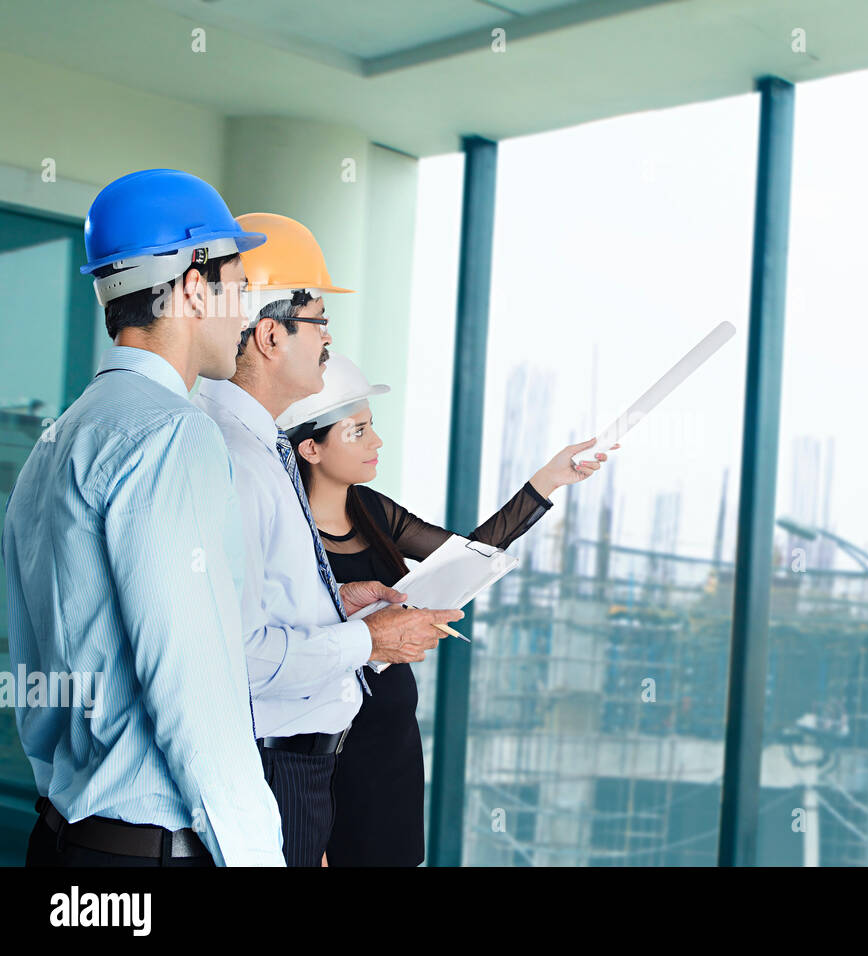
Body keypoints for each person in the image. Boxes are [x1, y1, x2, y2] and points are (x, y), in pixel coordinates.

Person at [2, 168, 285, 866]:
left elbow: (31, 669)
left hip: (67, 835)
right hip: (149, 851)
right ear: (193, 285)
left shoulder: (58, 439)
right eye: (238, 284)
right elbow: (195, 685)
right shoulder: (172, 435)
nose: (246, 311)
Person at [192, 212, 459, 867]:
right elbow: (231, 655)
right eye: (319, 322)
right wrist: (371, 639)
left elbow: (250, 606)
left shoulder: (259, 454)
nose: (329, 340)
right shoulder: (234, 461)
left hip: (302, 772)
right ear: (270, 334)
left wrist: (333, 602)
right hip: (272, 767)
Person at [278, 352, 616, 865]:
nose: (377, 442)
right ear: (311, 448)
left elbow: (468, 558)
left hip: (392, 745)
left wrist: (547, 482)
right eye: (359, 431)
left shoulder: (372, 510)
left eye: (374, 428)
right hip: (320, 756)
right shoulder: (284, 535)